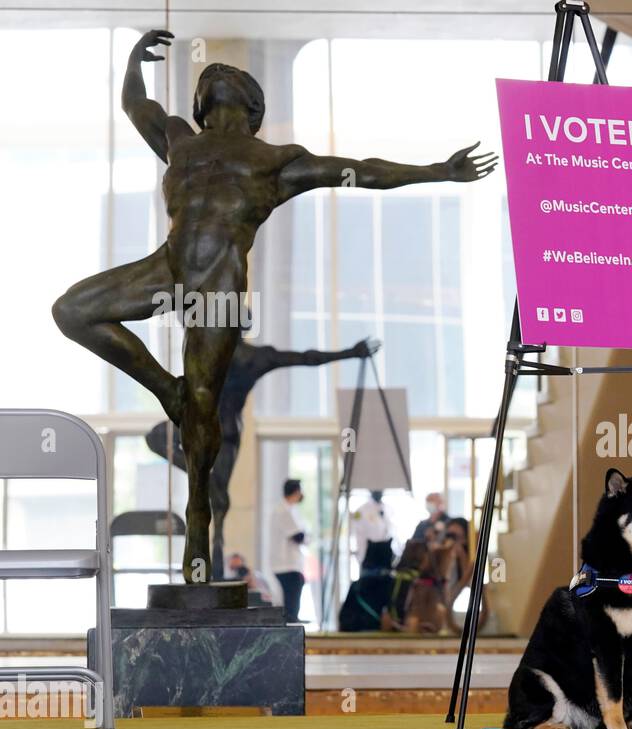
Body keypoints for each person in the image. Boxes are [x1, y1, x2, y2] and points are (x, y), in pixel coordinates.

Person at [51, 29, 495, 579]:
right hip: (165, 268)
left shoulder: (277, 161)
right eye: (211, 76)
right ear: (201, 105)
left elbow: (361, 170)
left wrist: (437, 171)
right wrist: (134, 61)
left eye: (231, 75)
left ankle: (198, 516)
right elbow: (135, 104)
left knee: (205, 403)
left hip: (218, 287)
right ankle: (168, 390)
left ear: (253, 105)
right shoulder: (178, 140)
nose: (218, 73)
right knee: (71, 310)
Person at [145, 337, 380, 578]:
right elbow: (308, 358)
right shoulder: (240, 353)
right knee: (160, 441)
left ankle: (215, 545)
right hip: (207, 423)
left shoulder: (243, 355)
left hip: (222, 429)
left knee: (219, 501)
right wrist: (351, 352)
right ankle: (204, 479)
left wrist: (350, 353)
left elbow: (306, 358)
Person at [270, 479, 308, 623]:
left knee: (295, 591)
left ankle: (293, 619)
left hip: (291, 563)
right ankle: (292, 622)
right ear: (296, 492)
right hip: (285, 564)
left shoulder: (291, 509)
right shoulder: (283, 510)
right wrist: (306, 537)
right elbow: (299, 536)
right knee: (291, 595)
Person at [351, 490, 394, 560]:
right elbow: (355, 529)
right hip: (367, 554)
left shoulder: (388, 509)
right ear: (371, 491)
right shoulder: (361, 510)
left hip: (385, 554)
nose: (379, 492)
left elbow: (391, 531)